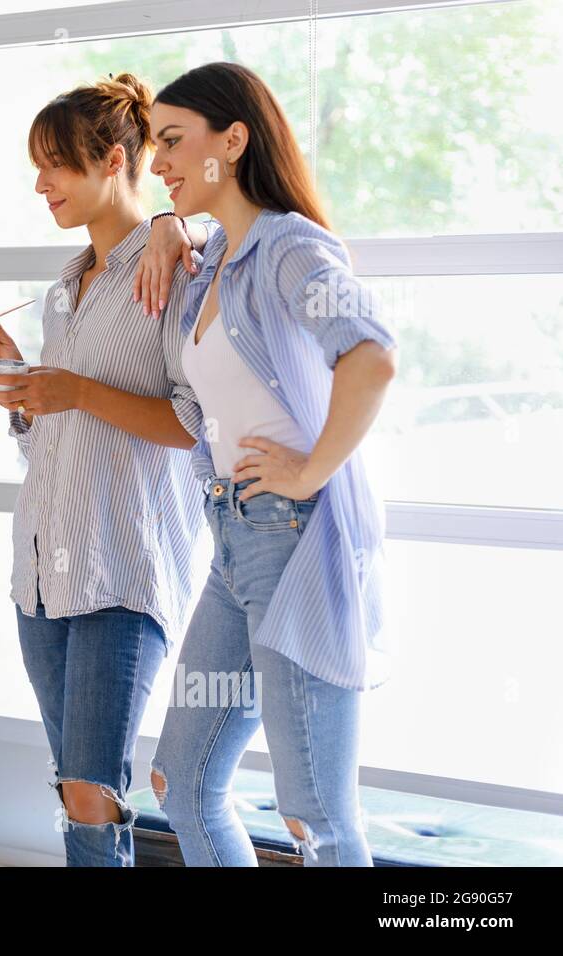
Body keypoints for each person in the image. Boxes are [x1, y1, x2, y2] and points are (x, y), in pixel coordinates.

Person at [143, 61, 399, 866]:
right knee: (178, 783)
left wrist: (309, 471)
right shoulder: (216, 259)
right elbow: (195, 407)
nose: (159, 164)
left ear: (235, 138)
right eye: (154, 146)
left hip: (289, 537)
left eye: (173, 143)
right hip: (233, 533)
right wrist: (165, 224)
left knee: (314, 817)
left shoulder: (288, 247)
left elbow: (371, 356)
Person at [0, 71, 211, 866]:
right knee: (75, 786)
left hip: (124, 570)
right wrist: (19, 382)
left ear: (113, 160)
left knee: (92, 793)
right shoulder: (65, 289)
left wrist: (74, 388)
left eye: (57, 166)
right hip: (42, 570)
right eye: (37, 168)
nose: (40, 185)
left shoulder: (177, 263)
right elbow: (54, 439)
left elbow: (191, 423)